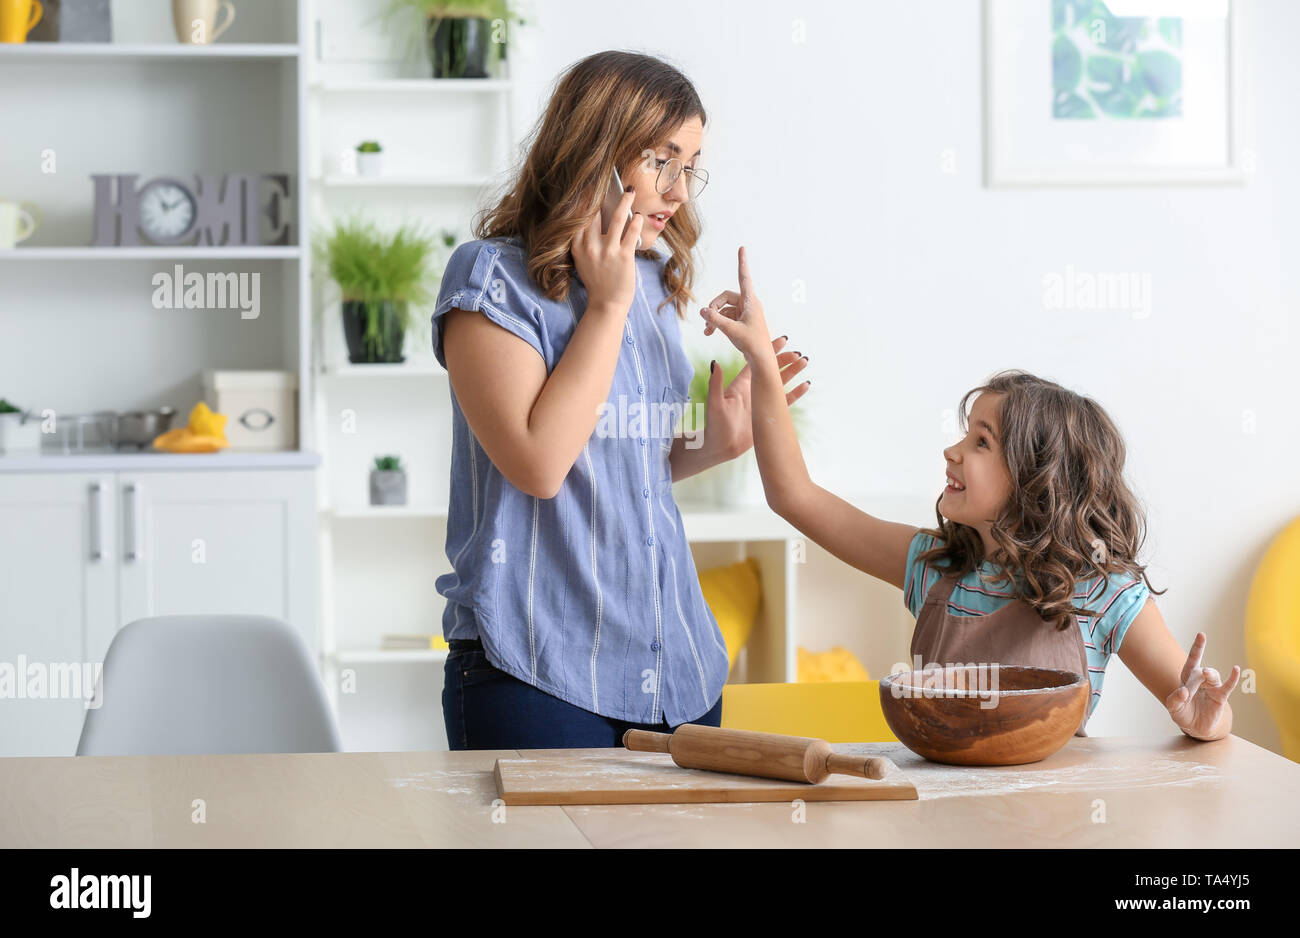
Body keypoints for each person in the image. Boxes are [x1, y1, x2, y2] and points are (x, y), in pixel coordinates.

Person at [430, 52, 811, 749]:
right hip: (534, 668)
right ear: (595, 152)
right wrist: (606, 307)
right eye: (660, 160)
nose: (678, 190)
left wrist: (714, 445)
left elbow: (615, 467)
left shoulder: (655, 276)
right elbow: (541, 464)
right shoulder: (490, 279)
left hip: (679, 670)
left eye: (690, 165)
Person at [700, 247, 1240, 738]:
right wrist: (763, 367)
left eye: (981, 441)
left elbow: (1196, 709)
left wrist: (1208, 721)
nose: (952, 452)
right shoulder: (932, 567)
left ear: (1038, 481)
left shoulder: (1104, 593)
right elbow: (794, 496)